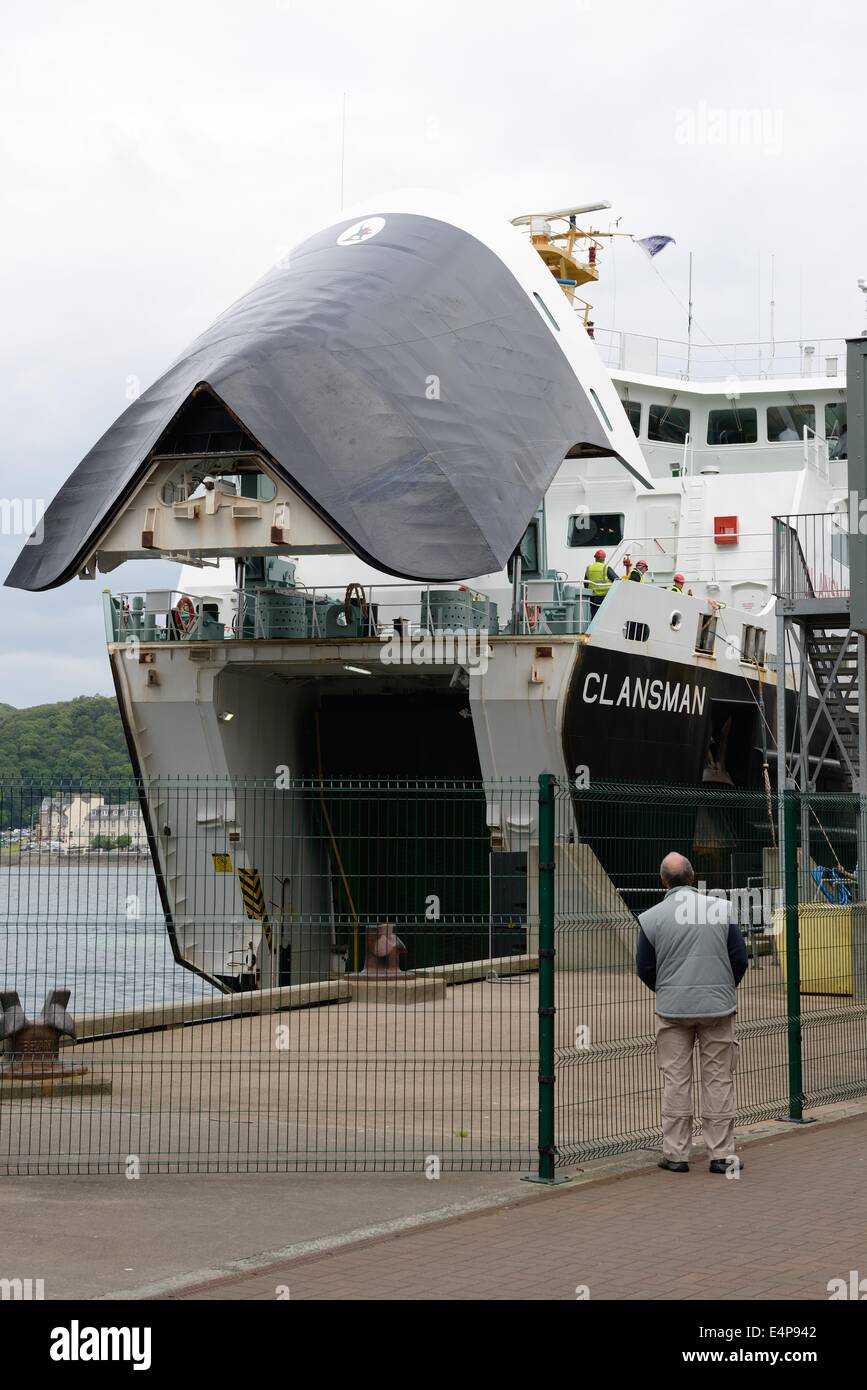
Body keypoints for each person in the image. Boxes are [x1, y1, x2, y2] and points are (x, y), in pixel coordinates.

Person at [636, 853, 748, 1174]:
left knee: (676, 1079)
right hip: (718, 1007)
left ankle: (676, 1155)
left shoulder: (652, 917)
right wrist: (724, 987)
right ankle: (722, 1154)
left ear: (663, 881)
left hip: (672, 1010)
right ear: (693, 876)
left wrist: (668, 989)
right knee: (718, 1079)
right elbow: (739, 958)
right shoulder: (721, 910)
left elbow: (644, 967)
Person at [584, 549, 619, 615]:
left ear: (595, 558)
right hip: (605, 597)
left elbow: (585, 583)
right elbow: (616, 579)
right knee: (605, 615)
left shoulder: (589, 568)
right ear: (604, 558)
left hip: (593, 596)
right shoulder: (606, 567)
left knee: (594, 615)